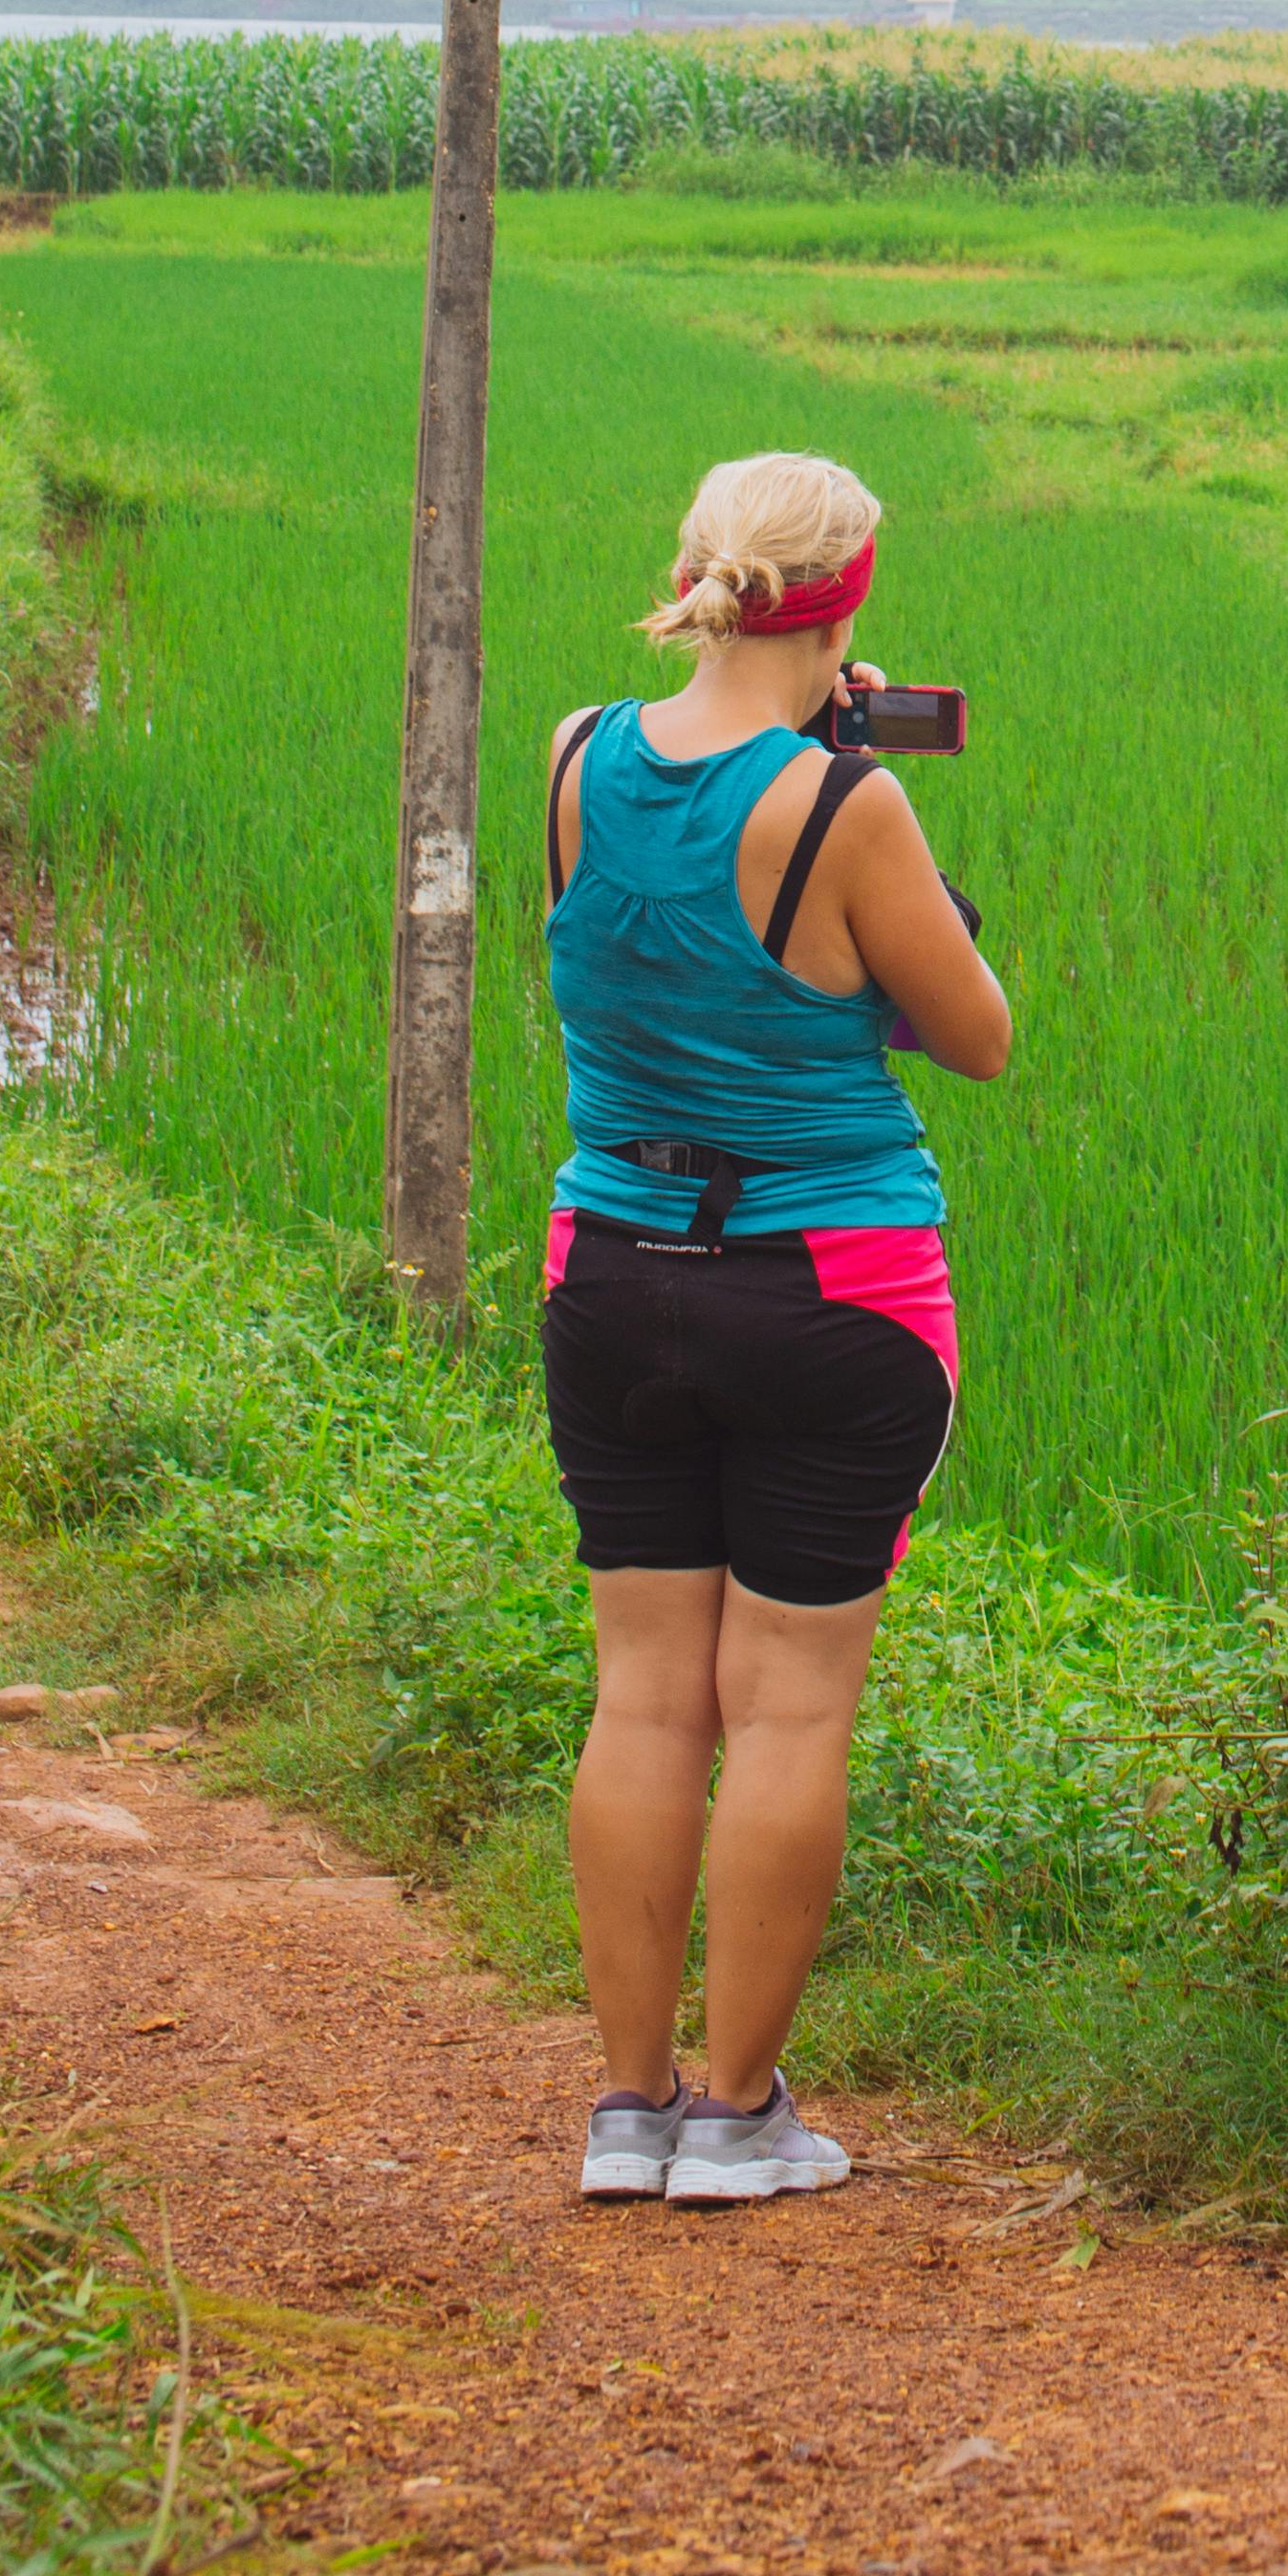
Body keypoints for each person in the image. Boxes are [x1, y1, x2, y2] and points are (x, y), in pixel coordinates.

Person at [537, 447, 1011, 2210]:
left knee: (646, 1696)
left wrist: (821, 748)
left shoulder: (578, 756)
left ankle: (629, 2108)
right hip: (830, 1294)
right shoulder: (846, 810)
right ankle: (740, 2124)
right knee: (790, 1709)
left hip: (615, 1280)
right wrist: (855, 780)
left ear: (699, 572)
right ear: (851, 601)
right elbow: (972, 1029)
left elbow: (657, 950)